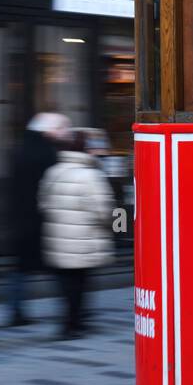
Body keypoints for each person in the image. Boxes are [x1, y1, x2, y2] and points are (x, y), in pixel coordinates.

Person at [38, 127, 115, 339]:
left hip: (58, 241)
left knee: (66, 285)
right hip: (84, 242)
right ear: (85, 149)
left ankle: (70, 322)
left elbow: (43, 204)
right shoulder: (91, 175)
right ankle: (74, 323)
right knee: (80, 284)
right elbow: (103, 210)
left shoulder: (53, 172)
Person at [5, 113, 66, 328]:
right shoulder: (48, 153)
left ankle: (15, 310)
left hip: (20, 220)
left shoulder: (18, 149)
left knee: (19, 269)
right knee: (59, 267)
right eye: (57, 129)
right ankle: (69, 310)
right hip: (43, 219)